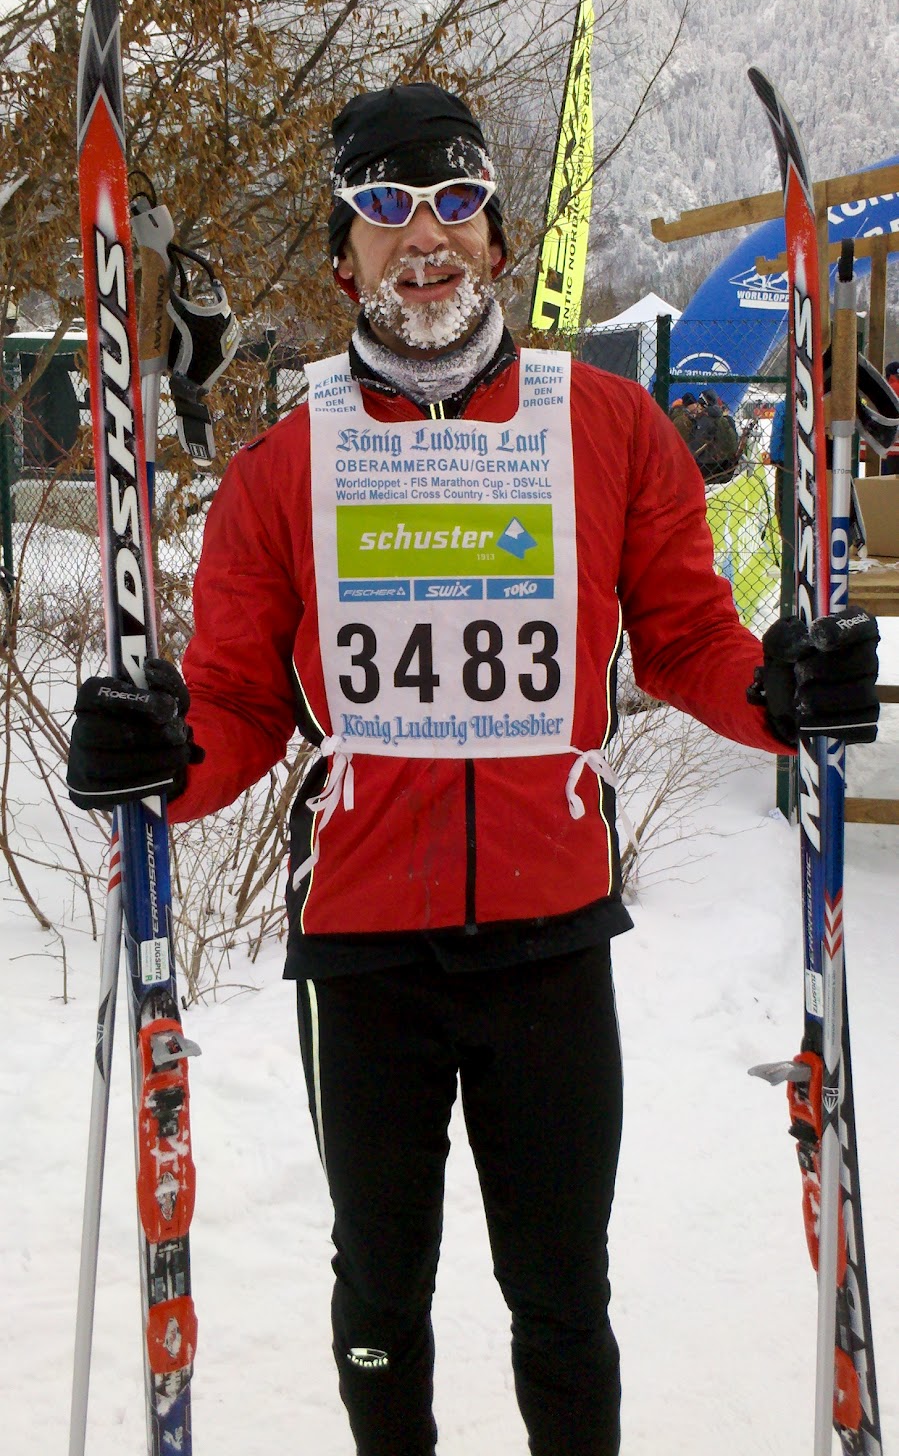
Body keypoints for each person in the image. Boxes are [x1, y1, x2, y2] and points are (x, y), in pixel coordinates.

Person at [65, 83, 881, 1456]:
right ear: (344, 257)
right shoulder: (287, 466)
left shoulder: (608, 430)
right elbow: (239, 706)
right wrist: (155, 759)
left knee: (563, 1296)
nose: (423, 235)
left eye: (453, 202)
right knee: (379, 1294)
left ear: (499, 239)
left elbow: (685, 636)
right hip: (363, 948)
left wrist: (780, 690)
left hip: (551, 935)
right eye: (385, 209)